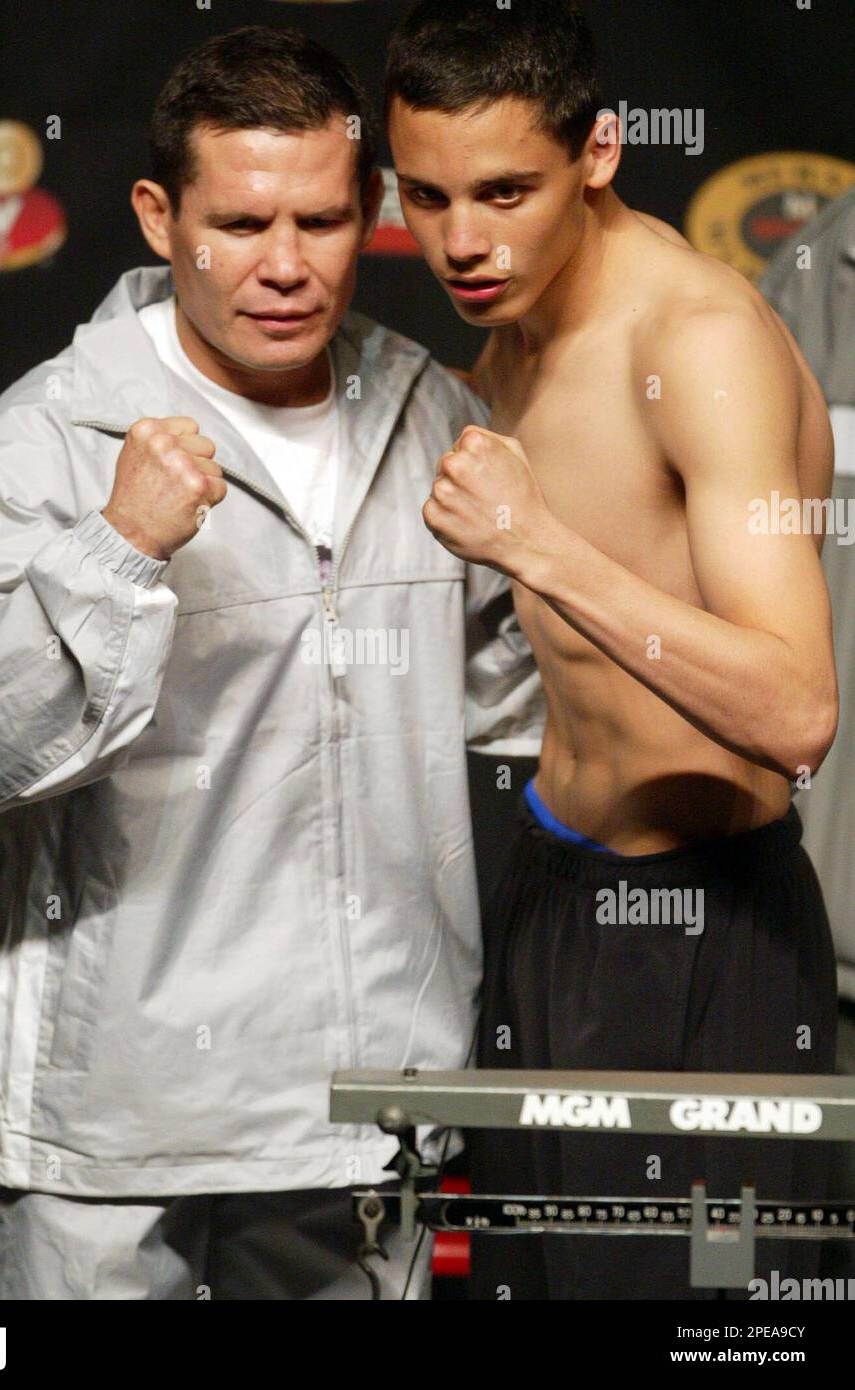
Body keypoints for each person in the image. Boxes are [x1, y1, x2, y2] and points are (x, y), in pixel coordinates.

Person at [0, 25, 544, 1300]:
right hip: (105, 1143)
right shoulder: (48, 442)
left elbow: (529, 719)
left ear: (369, 213)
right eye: (237, 224)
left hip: (354, 1121)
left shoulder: (434, 423)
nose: (284, 267)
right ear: (156, 216)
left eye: (321, 222)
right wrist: (115, 547)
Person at [385, 0, 840, 1300]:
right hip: (549, 902)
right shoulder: (511, 338)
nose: (463, 242)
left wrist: (536, 543)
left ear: (599, 152)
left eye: (507, 191)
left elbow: (799, 705)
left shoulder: (696, 346)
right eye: (427, 197)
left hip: (706, 925)